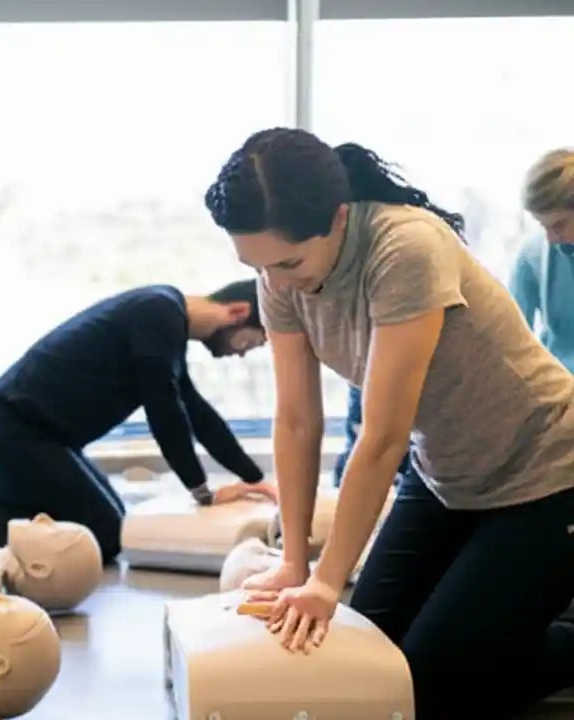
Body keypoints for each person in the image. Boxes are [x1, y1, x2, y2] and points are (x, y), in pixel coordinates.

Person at [205, 127, 574, 718]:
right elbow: (297, 420)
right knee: (372, 656)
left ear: (339, 218)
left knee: (429, 681)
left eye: (288, 262)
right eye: (256, 265)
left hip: (550, 473)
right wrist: (295, 562)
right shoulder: (278, 274)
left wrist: (328, 581)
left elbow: (381, 437)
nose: (274, 283)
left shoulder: (405, 249)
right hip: (446, 477)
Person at [0, 281, 278, 566]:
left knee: (119, 527)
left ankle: (6, 510)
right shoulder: (158, 311)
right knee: (108, 534)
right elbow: (164, 408)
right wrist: (202, 492)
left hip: (34, 437)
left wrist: (254, 478)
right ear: (239, 311)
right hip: (9, 433)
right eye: (254, 342)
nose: (242, 354)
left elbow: (196, 411)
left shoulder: (164, 317)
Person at [509, 147, 574, 371]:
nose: (551, 239)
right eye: (542, 226)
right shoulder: (532, 256)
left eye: (559, 225)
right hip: (559, 390)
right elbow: (511, 342)